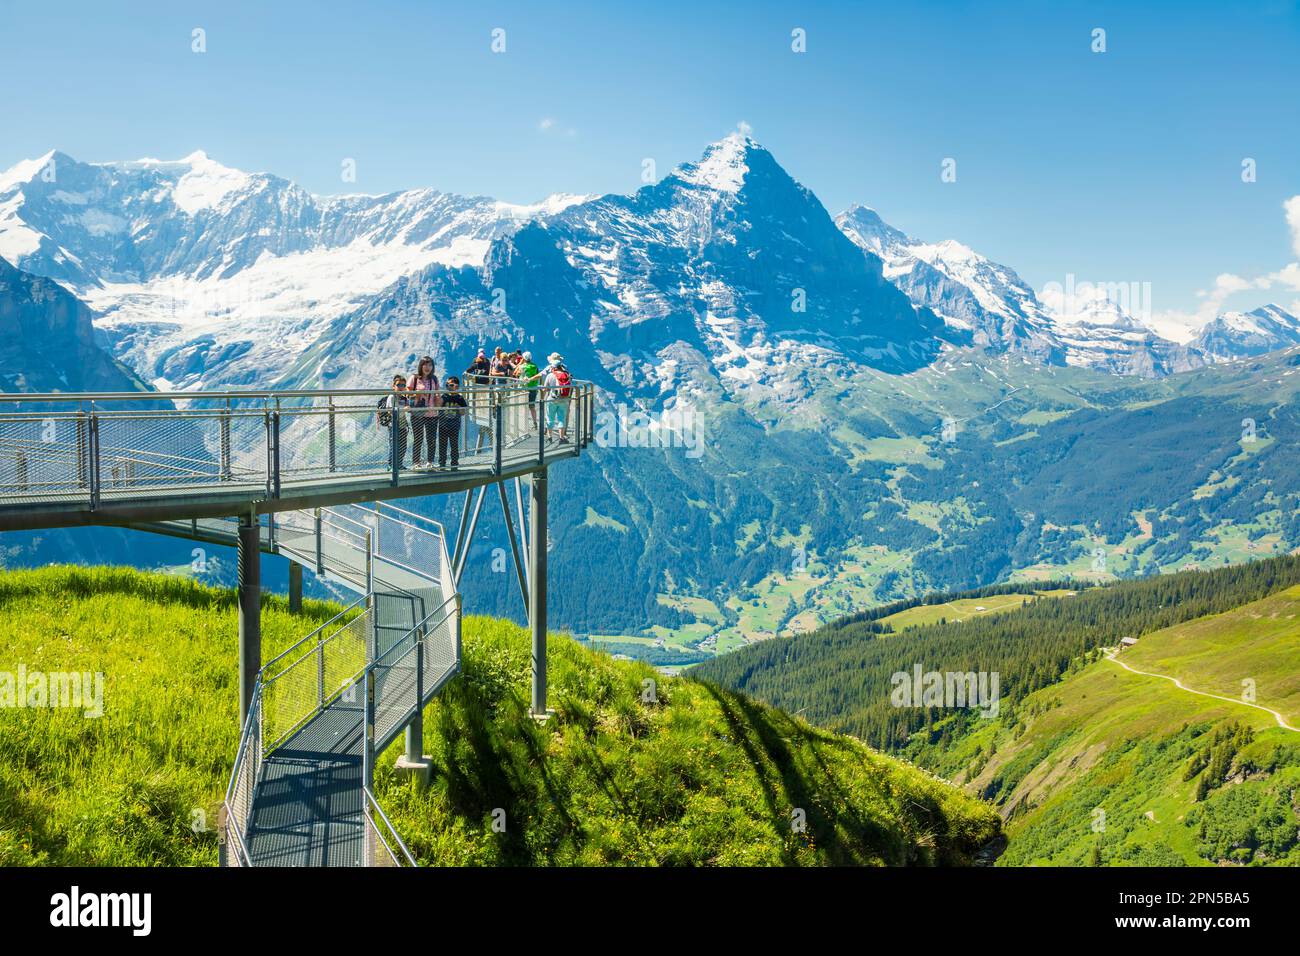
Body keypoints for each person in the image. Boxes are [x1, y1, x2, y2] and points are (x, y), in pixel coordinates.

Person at [408, 355, 439, 469]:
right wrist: (418, 394)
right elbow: (407, 394)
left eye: (430, 365)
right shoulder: (414, 378)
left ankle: (430, 462)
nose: (427, 367)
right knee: (418, 438)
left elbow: (437, 394)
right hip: (418, 413)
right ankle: (416, 463)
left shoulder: (434, 379)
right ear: (421, 366)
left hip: (432, 413)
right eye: (425, 364)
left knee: (431, 439)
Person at [437, 376, 468, 469]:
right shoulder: (444, 396)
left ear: (456, 386)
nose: (448, 386)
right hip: (443, 425)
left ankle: (454, 463)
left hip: (454, 425)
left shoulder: (460, 398)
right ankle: (442, 464)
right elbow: (438, 407)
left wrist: (459, 408)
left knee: (454, 446)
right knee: (442, 445)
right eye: (447, 385)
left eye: (451, 385)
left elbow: (463, 413)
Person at [380, 374, 410, 470]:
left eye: (403, 385)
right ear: (393, 386)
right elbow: (390, 411)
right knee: (394, 445)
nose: (401, 387)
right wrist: (403, 410)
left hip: (402, 424)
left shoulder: (404, 398)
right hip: (393, 425)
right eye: (399, 385)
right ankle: (391, 465)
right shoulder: (392, 397)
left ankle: (399, 464)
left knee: (403, 445)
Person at [543, 354, 572, 441]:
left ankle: (549, 436)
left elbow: (545, 389)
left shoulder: (550, 375)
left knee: (550, 417)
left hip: (552, 399)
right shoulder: (566, 375)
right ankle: (561, 437)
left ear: (554, 367)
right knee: (561, 418)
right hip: (564, 399)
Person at [516, 350, 542, 427]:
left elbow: (516, 374)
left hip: (523, 388)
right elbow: (537, 375)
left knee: (522, 406)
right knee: (532, 406)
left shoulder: (521, 366)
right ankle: (535, 423)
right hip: (533, 388)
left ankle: (523, 424)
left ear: (523, 358)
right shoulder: (535, 366)